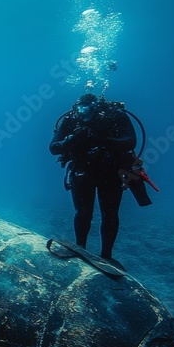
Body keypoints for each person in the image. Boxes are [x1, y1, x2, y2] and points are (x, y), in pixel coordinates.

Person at [49, 93, 137, 262]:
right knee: (83, 212)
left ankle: (106, 256)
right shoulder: (71, 119)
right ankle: (80, 247)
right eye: (81, 110)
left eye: (88, 110)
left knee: (109, 213)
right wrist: (72, 140)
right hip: (82, 170)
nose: (85, 115)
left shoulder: (114, 115)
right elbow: (53, 148)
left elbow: (130, 141)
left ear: (96, 108)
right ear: (76, 108)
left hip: (110, 170)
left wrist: (99, 140)